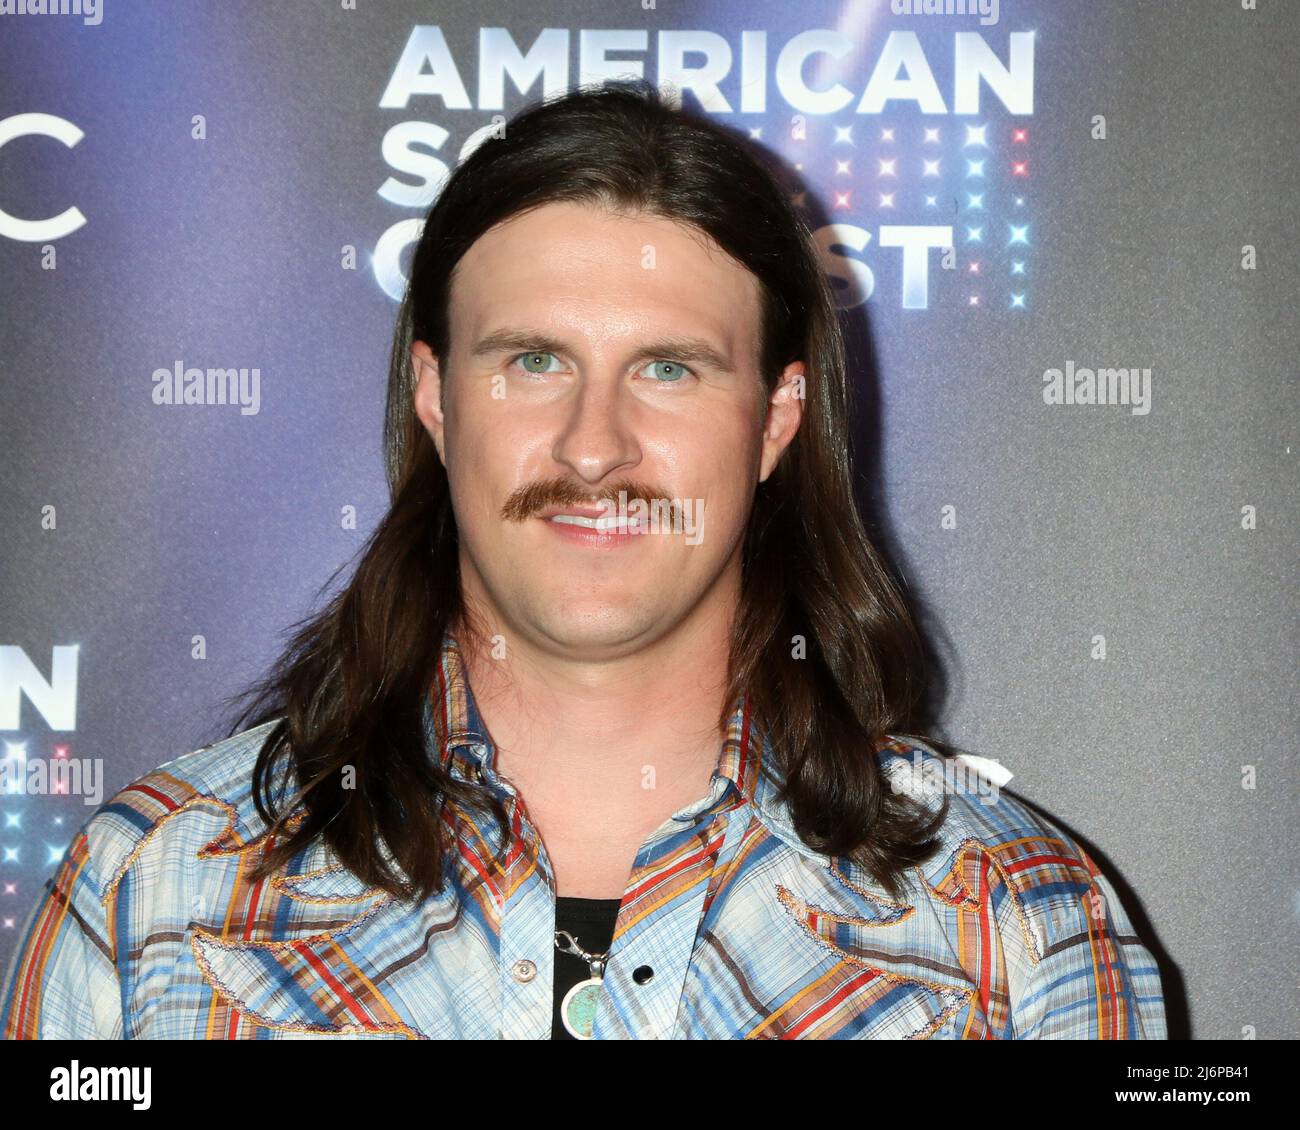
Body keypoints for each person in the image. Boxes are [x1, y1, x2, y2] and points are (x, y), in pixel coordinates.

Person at [1, 82, 1166, 1040]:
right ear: (435, 397)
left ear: (774, 420)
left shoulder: (1013, 925)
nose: (593, 445)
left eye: (669, 368)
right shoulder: (150, 894)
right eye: (533, 360)